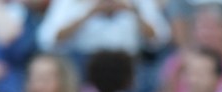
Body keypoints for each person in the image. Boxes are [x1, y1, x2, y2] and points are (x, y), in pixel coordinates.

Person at [35, 0, 171, 59]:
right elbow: (48, 38)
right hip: (84, 66)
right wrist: (90, 12)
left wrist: (132, 10)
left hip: (128, 68)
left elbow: (159, 38)